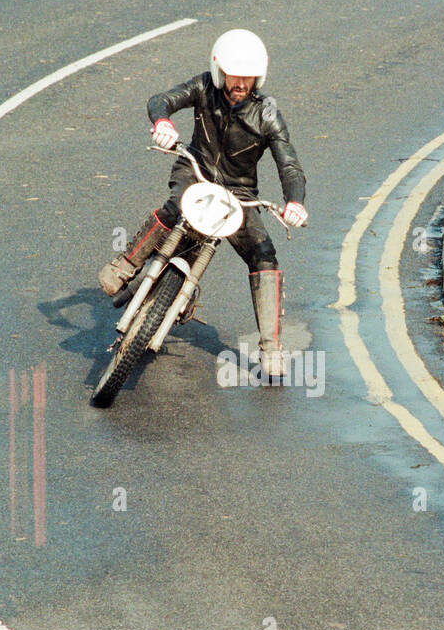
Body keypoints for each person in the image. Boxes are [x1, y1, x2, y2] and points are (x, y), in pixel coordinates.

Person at [98, 30, 308, 377]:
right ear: (218, 70)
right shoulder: (203, 88)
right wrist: (162, 121)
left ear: (259, 76)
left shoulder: (268, 113)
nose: (240, 82)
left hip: (238, 196)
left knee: (264, 256)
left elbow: (289, 164)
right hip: (195, 172)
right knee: (176, 207)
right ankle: (125, 264)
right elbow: (161, 100)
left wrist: (295, 201)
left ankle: (271, 348)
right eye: (233, 74)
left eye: (248, 76)